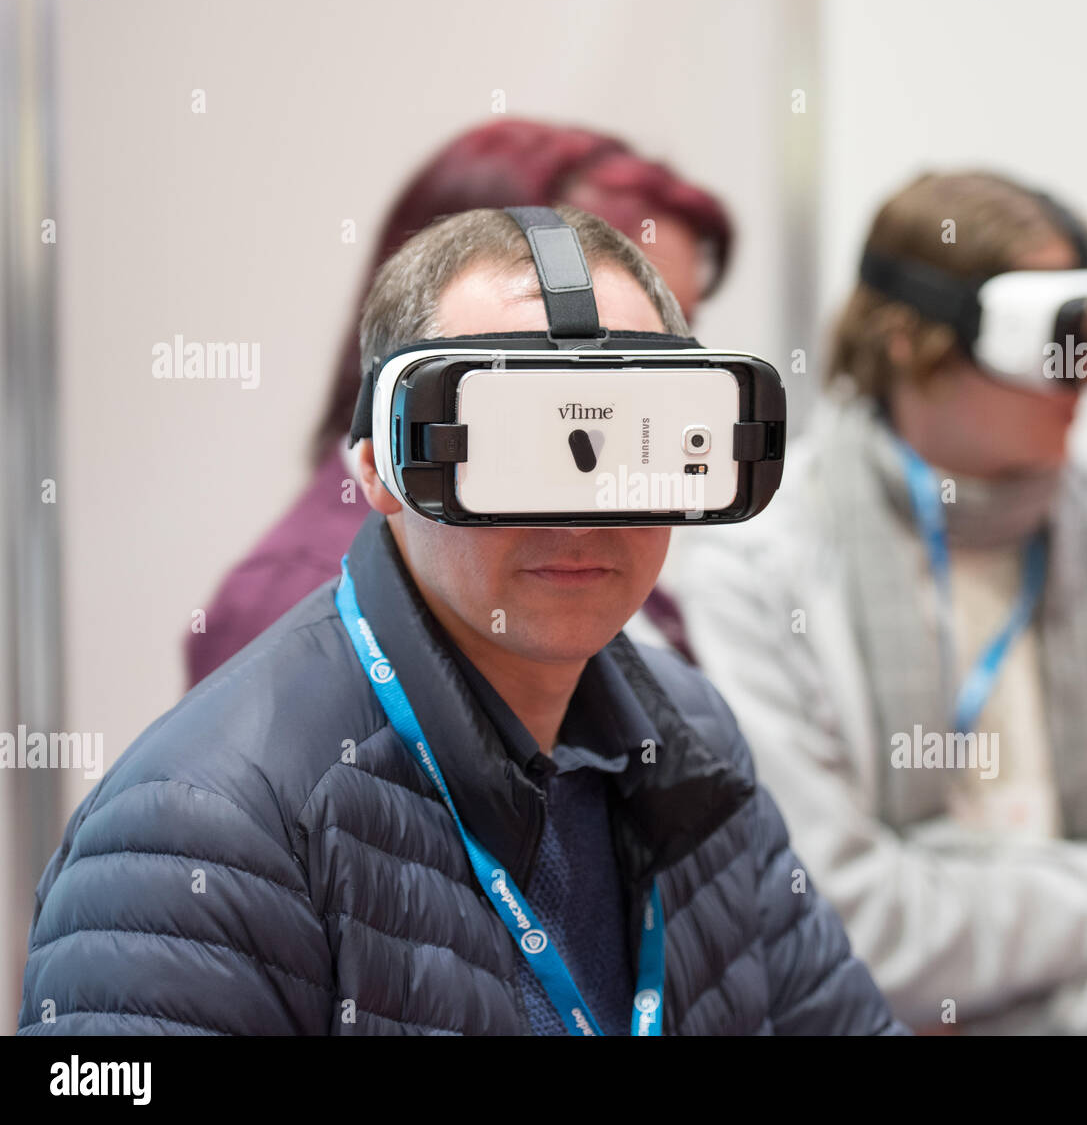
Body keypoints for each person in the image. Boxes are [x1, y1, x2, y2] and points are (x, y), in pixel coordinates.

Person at [19, 207, 904, 1036]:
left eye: (636, 443)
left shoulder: (689, 739)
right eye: (513, 448)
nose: (583, 518)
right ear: (376, 466)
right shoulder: (203, 833)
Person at [669, 170, 1087, 1034]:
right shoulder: (760, 566)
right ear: (906, 339)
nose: (1075, 380)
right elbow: (839, 922)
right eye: (1049, 341)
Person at [184, 120, 729, 687]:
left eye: (667, 340)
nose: (649, 385)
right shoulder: (277, 609)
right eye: (592, 346)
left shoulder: (621, 560)